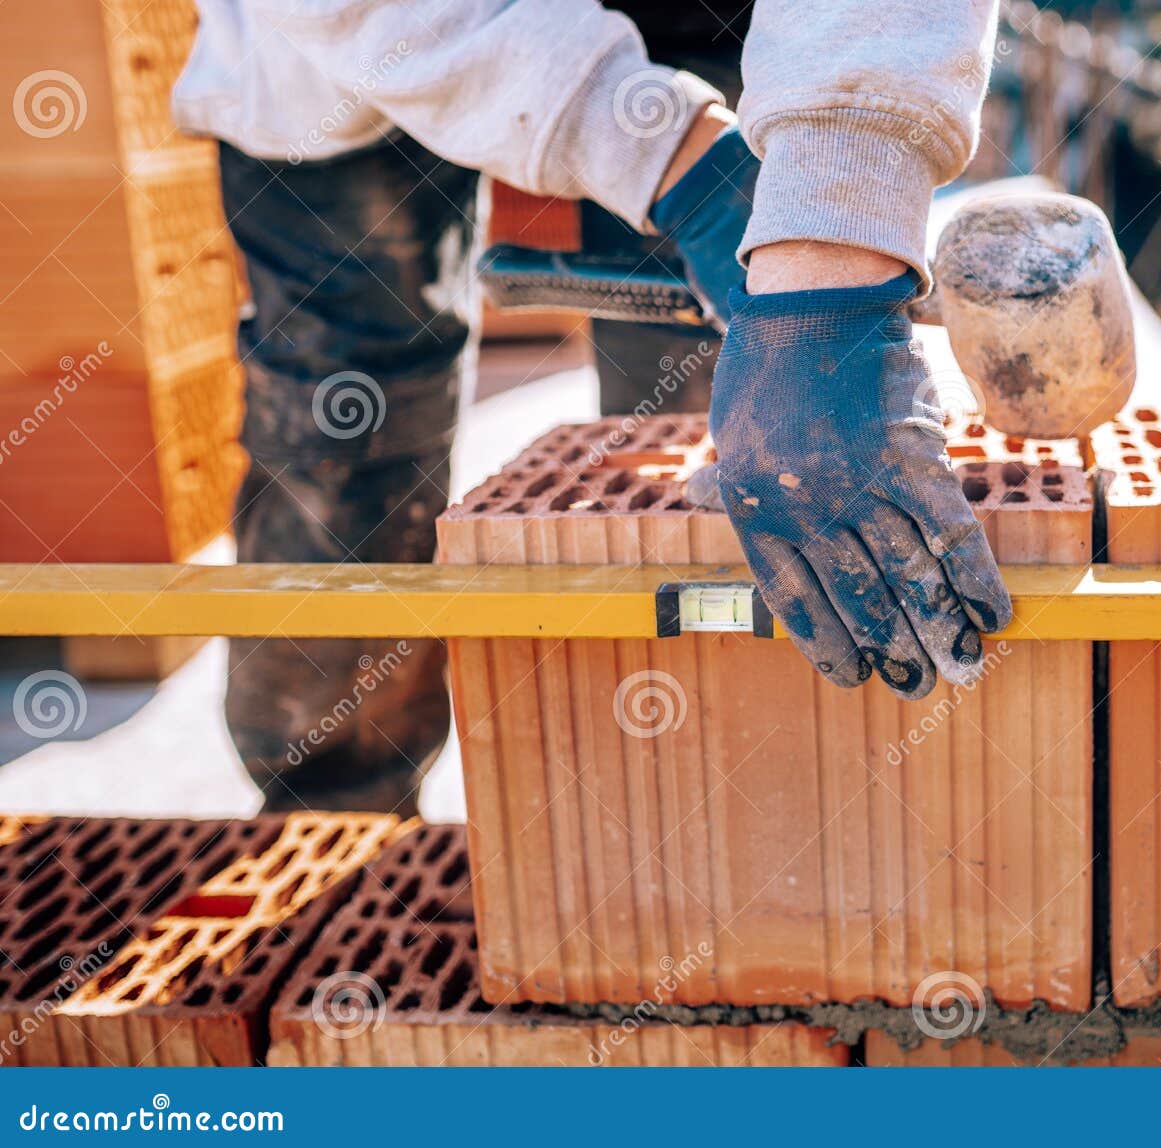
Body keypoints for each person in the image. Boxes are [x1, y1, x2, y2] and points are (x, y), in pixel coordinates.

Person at [175, 0, 1013, 813]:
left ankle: (708, 822)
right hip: (350, 45)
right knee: (346, 415)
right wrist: (660, 150)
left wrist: (824, 252)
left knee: (717, 448)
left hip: (700, 23)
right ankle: (333, 806)